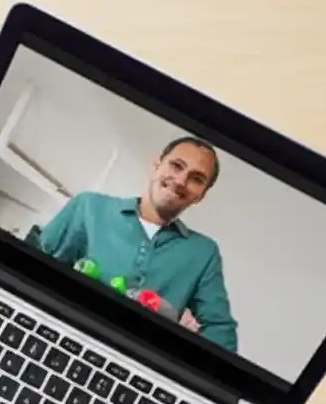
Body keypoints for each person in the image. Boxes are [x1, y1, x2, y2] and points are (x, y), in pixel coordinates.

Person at [32, 136, 239, 353]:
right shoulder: (89, 207)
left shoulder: (203, 253)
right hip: (63, 339)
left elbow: (221, 333)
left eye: (196, 179)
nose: (181, 181)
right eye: (176, 166)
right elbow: (34, 266)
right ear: (157, 165)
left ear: (201, 195)